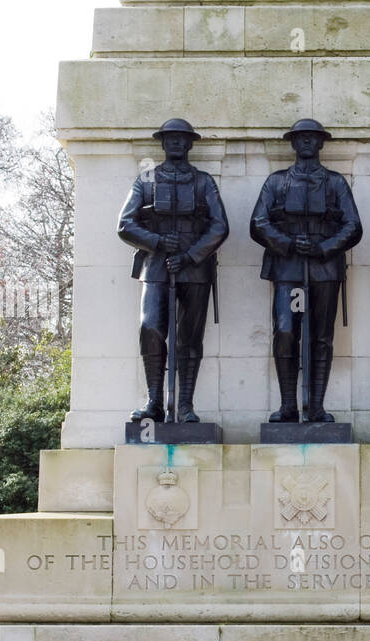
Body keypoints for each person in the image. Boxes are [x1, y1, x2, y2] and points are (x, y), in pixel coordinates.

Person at [250, 118, 363, 423]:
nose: (307, 143)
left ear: (321, 142)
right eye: (302, 138)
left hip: (324, 269)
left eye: (313, 138)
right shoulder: (277, 181)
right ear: (294, 143)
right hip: (288, 267)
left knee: (321, 338)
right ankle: (289, 404)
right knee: (286, 332)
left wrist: (323, 247)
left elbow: (353, 225)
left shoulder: (335, 182)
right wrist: (287, 243)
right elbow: (259, 223)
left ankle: (316, 406)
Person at [118, 118, 229, 424]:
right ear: (163, 143)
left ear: (191, 143)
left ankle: (184, 404)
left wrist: (191, 255)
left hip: (195, 268)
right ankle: (154, 401)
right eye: (171, 138)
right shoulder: (146, 181)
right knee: (151, 328)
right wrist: (156, 241)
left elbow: (220, 226)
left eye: (182, 138)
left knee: (190, 338)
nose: (177, 143)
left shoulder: (204, 181)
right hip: (156, 266)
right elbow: (126, 225)